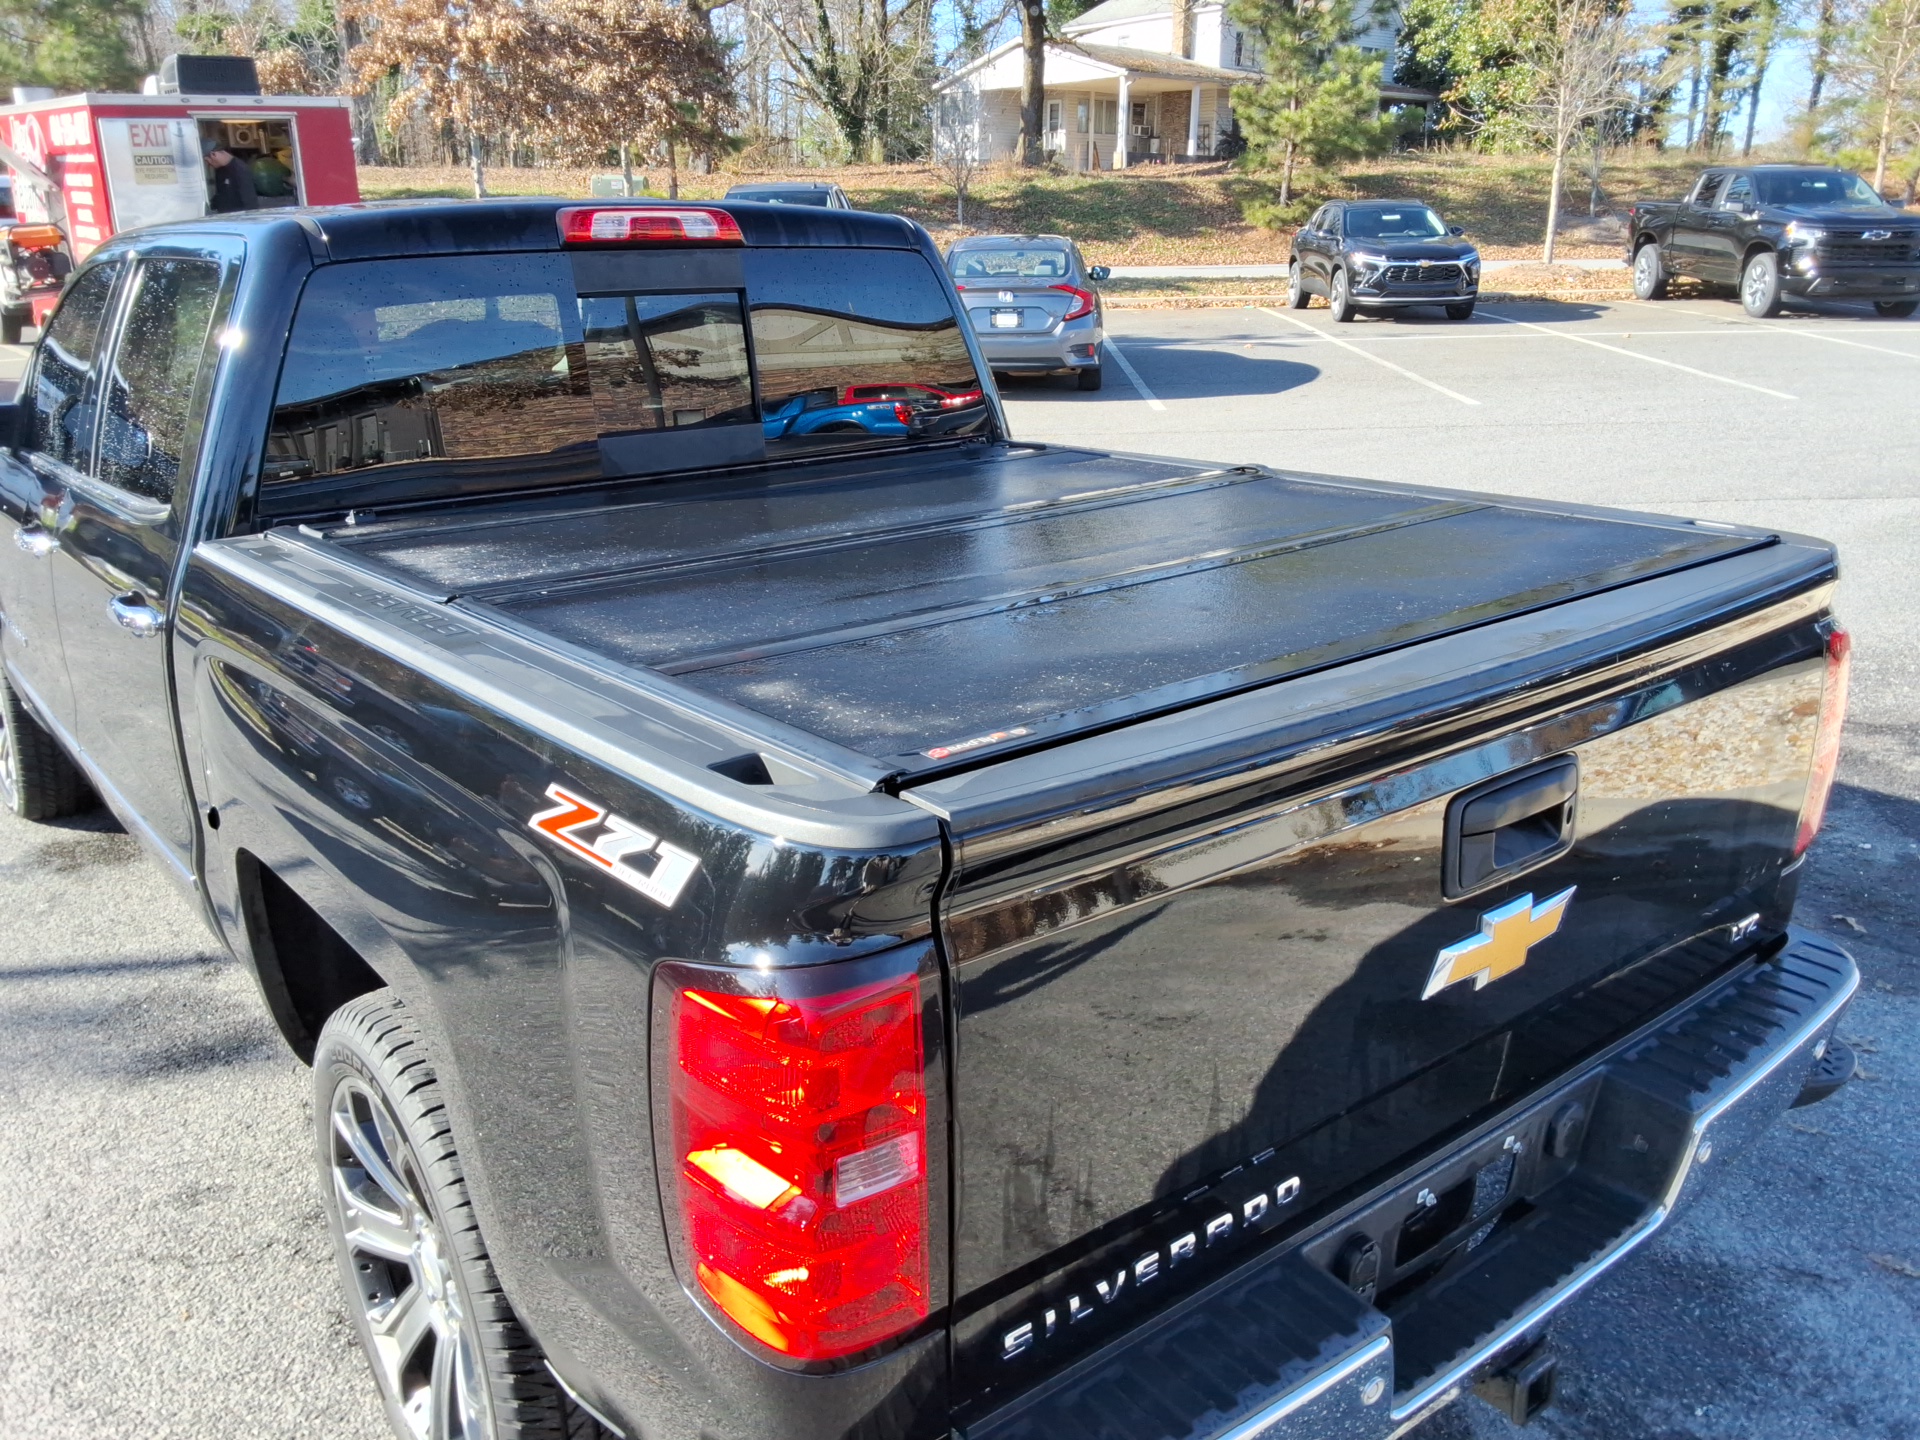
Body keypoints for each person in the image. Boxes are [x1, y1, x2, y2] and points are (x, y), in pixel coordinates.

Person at [204, 141, 258, 212]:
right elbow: (221, 196)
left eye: (208, 161)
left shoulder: (240, 170)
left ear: (213, 155)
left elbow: (250, 202)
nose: (209, 165)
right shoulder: (220, 170)